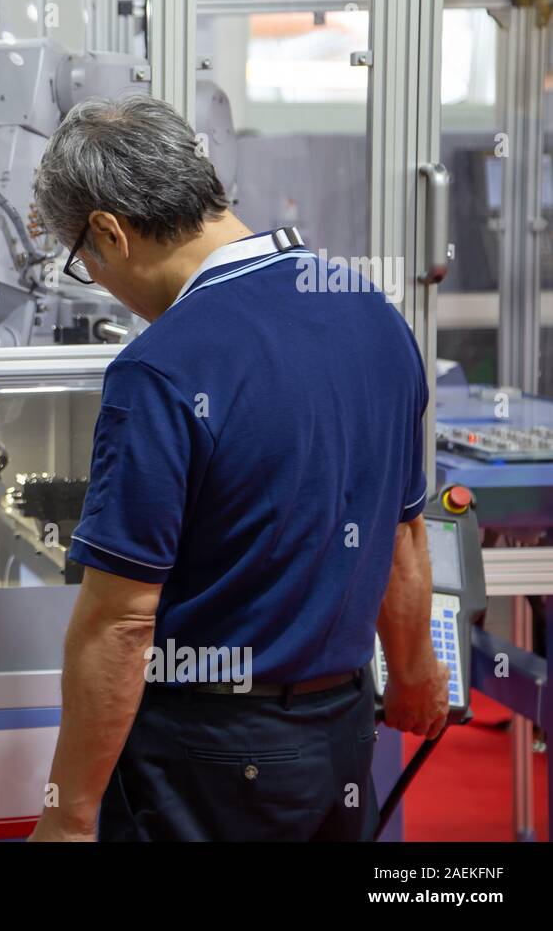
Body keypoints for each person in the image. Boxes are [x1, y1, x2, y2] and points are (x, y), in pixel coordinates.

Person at [27, 96, 450, 841]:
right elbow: (403, 536)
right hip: (341, 735)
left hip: (205, 759)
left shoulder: (159, 368)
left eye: (84, 263)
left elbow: (121, 622)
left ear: (109, 232)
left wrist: (67, 816)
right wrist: (414, 672)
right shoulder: (372, 313)